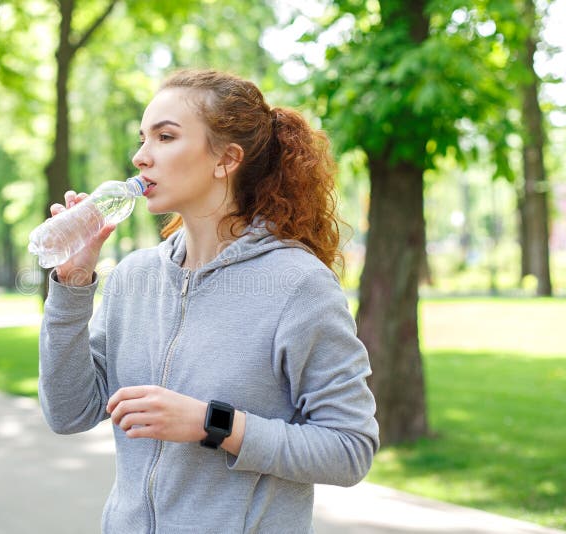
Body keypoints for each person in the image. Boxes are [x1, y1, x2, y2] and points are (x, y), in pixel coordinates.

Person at [38, 69, 379, 533]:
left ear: (226, 159)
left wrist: (211, 424)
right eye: (143, 138)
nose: (141, 157)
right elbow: (68, 412)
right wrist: (73, 283)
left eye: (165, 137)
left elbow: (349, 448)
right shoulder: (134, 277)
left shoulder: (298, 285)